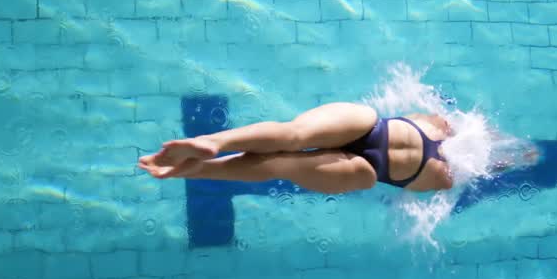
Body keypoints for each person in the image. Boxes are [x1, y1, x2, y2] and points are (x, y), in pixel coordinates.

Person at [137, 103, 455, 194]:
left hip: (370, 123)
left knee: (292, 134)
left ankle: (214, 141)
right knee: (280, 165)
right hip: (371, 172)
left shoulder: (438, 123)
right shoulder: (446, 178)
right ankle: (196, 168)